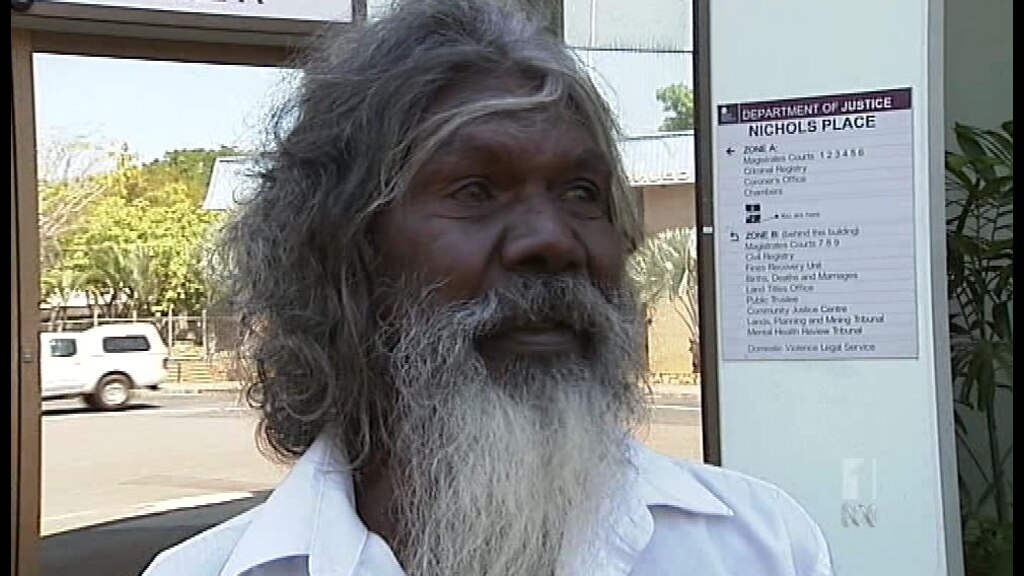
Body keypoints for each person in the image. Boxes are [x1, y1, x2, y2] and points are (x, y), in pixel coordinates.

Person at [144, 1, 833, 574]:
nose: (552, 240)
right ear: (345, 255)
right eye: (476, 190)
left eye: (582, 193)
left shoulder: (759, 546)